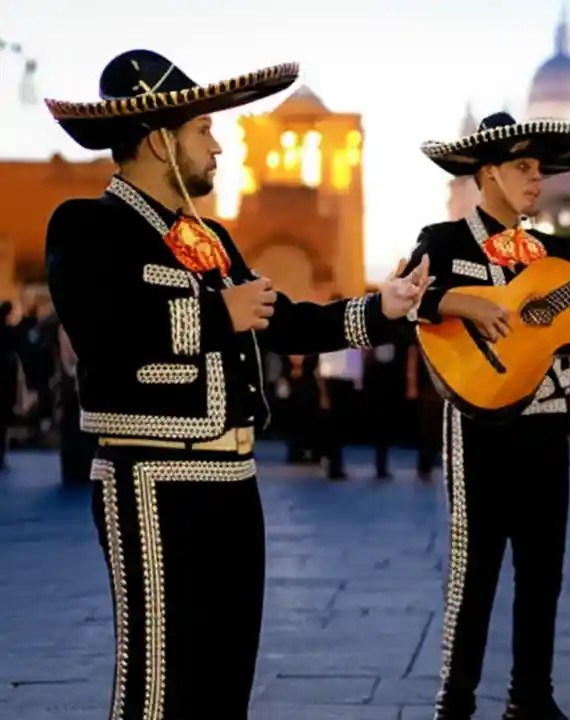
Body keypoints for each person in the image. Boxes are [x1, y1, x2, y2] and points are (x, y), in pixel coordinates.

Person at [42, 50, 429, 719]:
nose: (218, 146)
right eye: (202, 131)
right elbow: (105, 329)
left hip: (232, 478)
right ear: (161, 141)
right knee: (157, 684)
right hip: (149, 478)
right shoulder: (87, 226)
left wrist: (383, 307)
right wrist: (217, 314)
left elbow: (285, 322)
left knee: (225, 681)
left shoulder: (212, 239)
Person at [409, 111, 570, 719]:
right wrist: (459, 300)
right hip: (478, 422)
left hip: (546, 422)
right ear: (487, 173)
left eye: (540, 169)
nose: (536, 179)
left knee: (543, 568)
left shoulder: (554, 254)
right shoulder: (443, 241)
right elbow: (405, 302)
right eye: (522, 166)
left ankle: (530, 698)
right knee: (475, 568)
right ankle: (454, 701)